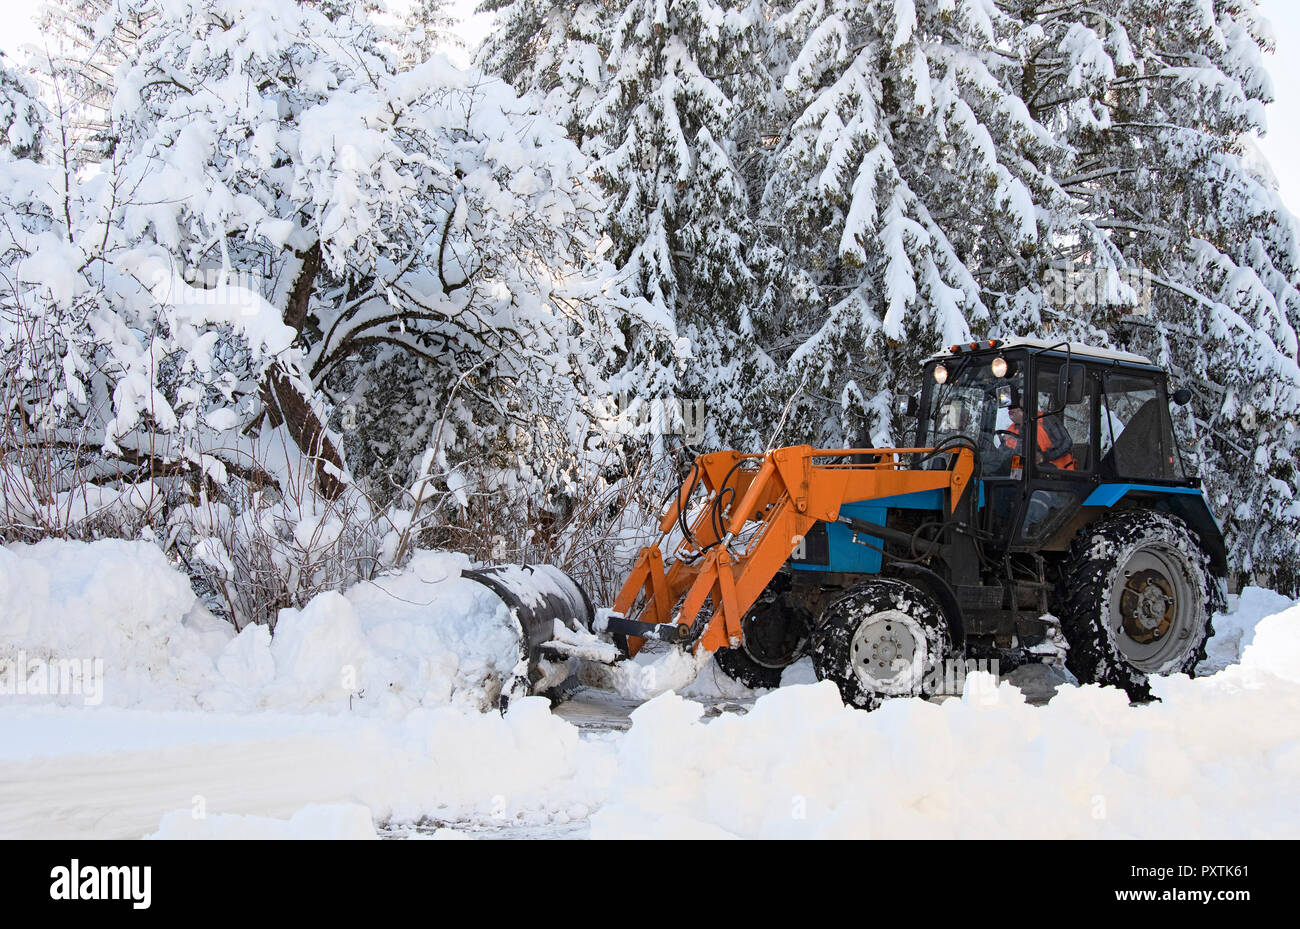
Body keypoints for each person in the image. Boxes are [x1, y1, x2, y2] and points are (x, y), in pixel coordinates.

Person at [1002, 394, 1076, 470]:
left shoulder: (1046, 419)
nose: (1010, 412)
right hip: (1027, 476)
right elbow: (1005, 456)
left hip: (1059, 473)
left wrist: (1044, 456)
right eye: (1009, 408)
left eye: (1014, 407)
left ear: (1024, 406)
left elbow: (1066, 442)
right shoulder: (1010, 431)